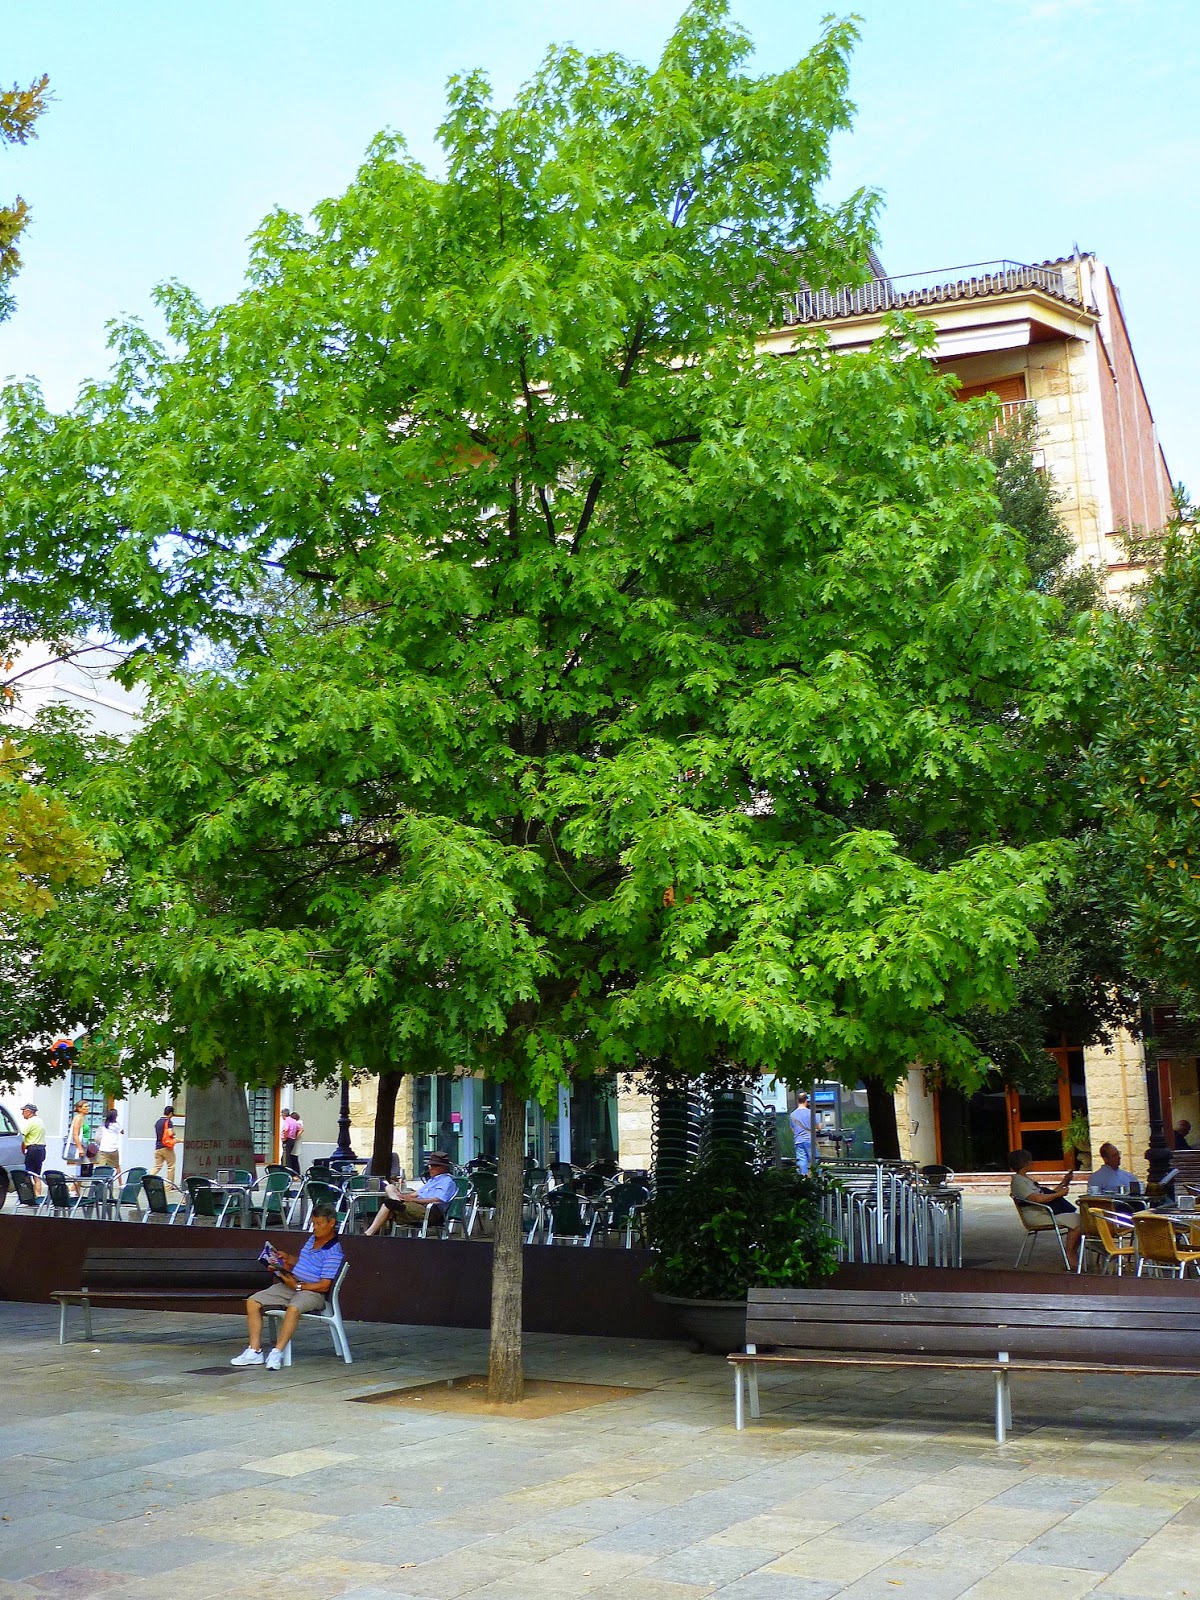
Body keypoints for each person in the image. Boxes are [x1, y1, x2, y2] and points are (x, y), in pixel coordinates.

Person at [231, 1201, 345, 1371]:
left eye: (319, 1224)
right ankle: (254, 1351)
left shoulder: (334, 1252)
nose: (315, 1228)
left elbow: (324, 1286)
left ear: (332, 1223)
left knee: (293, 1309)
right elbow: (304, 1262)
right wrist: (286, 1259)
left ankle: (277, 1352)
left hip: (312, 1292)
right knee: (253, 1301)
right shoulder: (312, 1239)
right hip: (292, 1283)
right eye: (313, 1223)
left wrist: (298, 1287)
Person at [1009, 1148, 1082, 1269]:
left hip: (1043, 1212)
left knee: (1079, 1219)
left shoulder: (1025, 1180)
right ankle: (1069, 1253)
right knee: (1078, 1221)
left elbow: (1048, 1194)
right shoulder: (1019, 1182)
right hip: (1037, 1216)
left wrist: (1064, 1182)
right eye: (1030, 1161)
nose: (1032, 1163)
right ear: (1026, 1163)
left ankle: (1071, 1252)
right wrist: (1059, 1195)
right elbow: (1037, 1199)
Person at [363, 1151, 458, 1236]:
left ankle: (369, 1234)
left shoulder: (447, 1181)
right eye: (430, 1166)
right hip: (417, 1207)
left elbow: (437, 1199)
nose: (430, 1169)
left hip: (430, 1211)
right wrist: (404, 1196)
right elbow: (415, 1194)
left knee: (388, 1205)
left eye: (434, 1166)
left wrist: (412, 1199)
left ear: (443, 1168)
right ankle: (396, 1201)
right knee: (389, 1187)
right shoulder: (432, 1181)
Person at [20, 1104, 47, 1195]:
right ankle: (38, 1195)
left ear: (29, 1112)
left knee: (27, 1174)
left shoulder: (30, 1122)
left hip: (32, 1149)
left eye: (23, 1111)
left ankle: (30, 1195)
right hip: (41, 1149)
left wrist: (22, 1150)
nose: (22, 1113)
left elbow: (22, 1136)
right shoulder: (40, 1121)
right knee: (37, 1175)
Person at [69, 1099, 94, 1184]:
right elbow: (75, 1134)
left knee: (82, 1170)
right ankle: (73, 1188)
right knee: (84, 1169)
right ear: (79, 1108)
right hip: (81, 1147)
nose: (88, 1108)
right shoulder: (78, 1118)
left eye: (88, 1106)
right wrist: (79, 1148)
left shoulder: (83, 1118)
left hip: (84, 1145)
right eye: (85, 1106)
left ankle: (75, 1188)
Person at [789, 1093, 813, 1176]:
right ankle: (818, 1178)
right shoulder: (810, 1113)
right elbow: (819, 1127)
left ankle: (803, 1177)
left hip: (798, 1140)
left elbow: (793, 1129)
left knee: (801, 1160)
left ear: (797, 1101)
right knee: (815, 1160)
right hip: (810, 1140)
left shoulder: (792, 1115)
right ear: (806, 1101)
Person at [153, 1103, 177, 1185]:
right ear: (170, 1113)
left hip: (158, 1148)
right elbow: (170, 1133)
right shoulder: (168, 1122)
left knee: (157, 1167)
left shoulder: (158, 1122)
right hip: (166, 1147)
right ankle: (169, 1186)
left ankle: (146, 1179)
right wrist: (173, 1133)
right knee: (171, 1166)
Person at [94, 1109, 122, 1175]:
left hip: (103, 1149)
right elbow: (122, 1131)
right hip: (113, 1149)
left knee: (100, 1168)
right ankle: (120, 1180)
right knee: (116, 1166)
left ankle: (99, 1180)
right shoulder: (117, 1125)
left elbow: (97, 1137)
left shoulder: (104, 1125)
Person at [280, 1105, 303, 1175]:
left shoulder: (287, 1121)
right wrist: (295, 1137)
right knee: (288, 1157)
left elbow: (286, 1129)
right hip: (292, 1140)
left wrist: (284, 1138)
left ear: (283, 1115)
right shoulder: (294, 1121)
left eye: (281, 1115)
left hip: (287, 1140)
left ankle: (286, 1173)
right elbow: (300, 1129)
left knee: (286, 1158)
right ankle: (289, 1172)